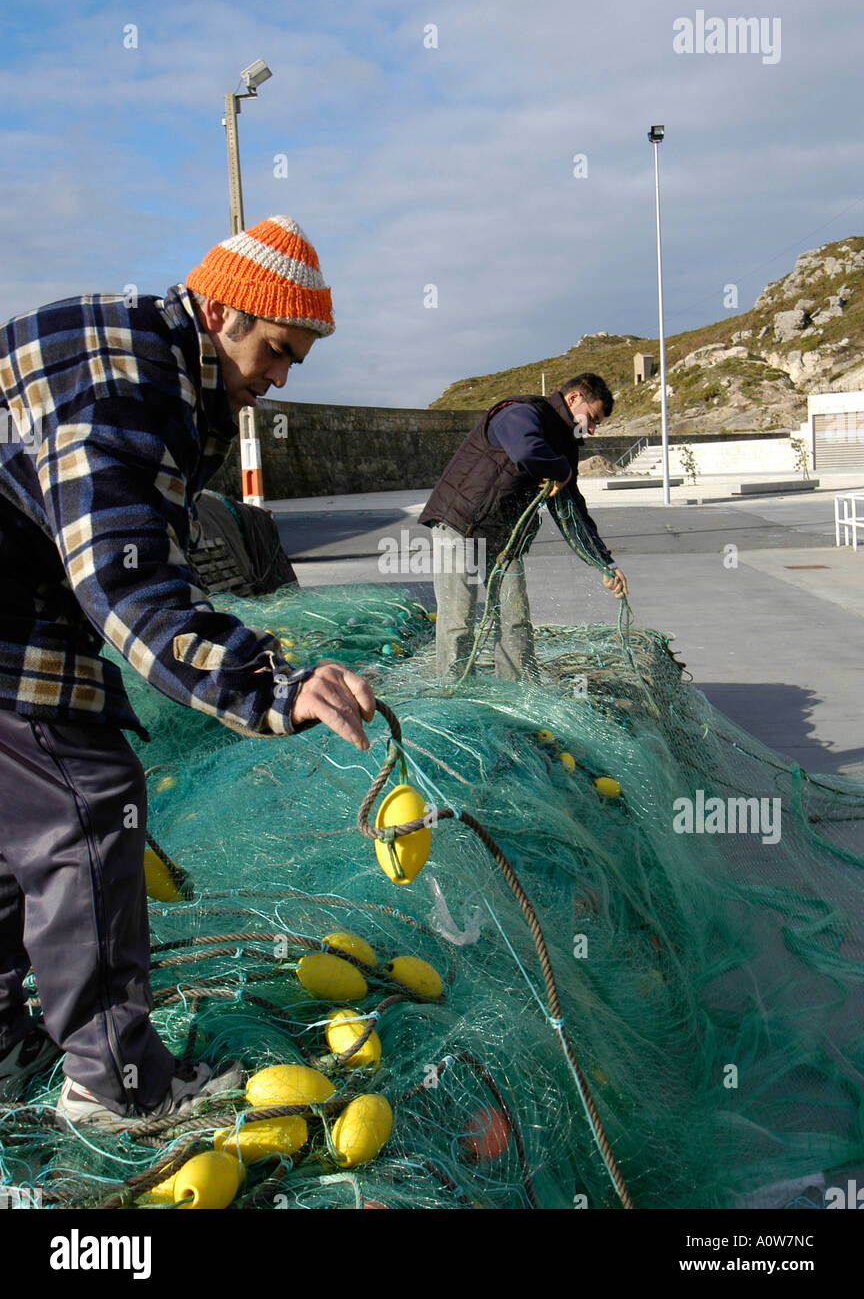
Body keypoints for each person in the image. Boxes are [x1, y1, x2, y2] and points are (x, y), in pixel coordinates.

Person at [0, 214, 375, 1125]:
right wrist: (270, 683)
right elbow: (122, 576)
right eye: (276, 349)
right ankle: (119, 1086)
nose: (280, 378)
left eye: (296, 361)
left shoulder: (148, 352)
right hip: (14, 634)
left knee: (14, 845)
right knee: (87, 806)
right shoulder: (129, 382)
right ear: (219, 313)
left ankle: (9, 1058)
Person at [419, 374, 627, 679]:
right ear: (573, 399)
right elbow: (527, 451)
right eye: (592, 418)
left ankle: (518, 692)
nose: (592, 429)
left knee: (515, 619)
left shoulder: (565, 442)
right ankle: (453, 695)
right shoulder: (520, 412)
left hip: (504, 540)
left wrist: (604, 562)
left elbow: (572, 511)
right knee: (458, 621)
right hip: (460, 525)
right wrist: (562, 471)